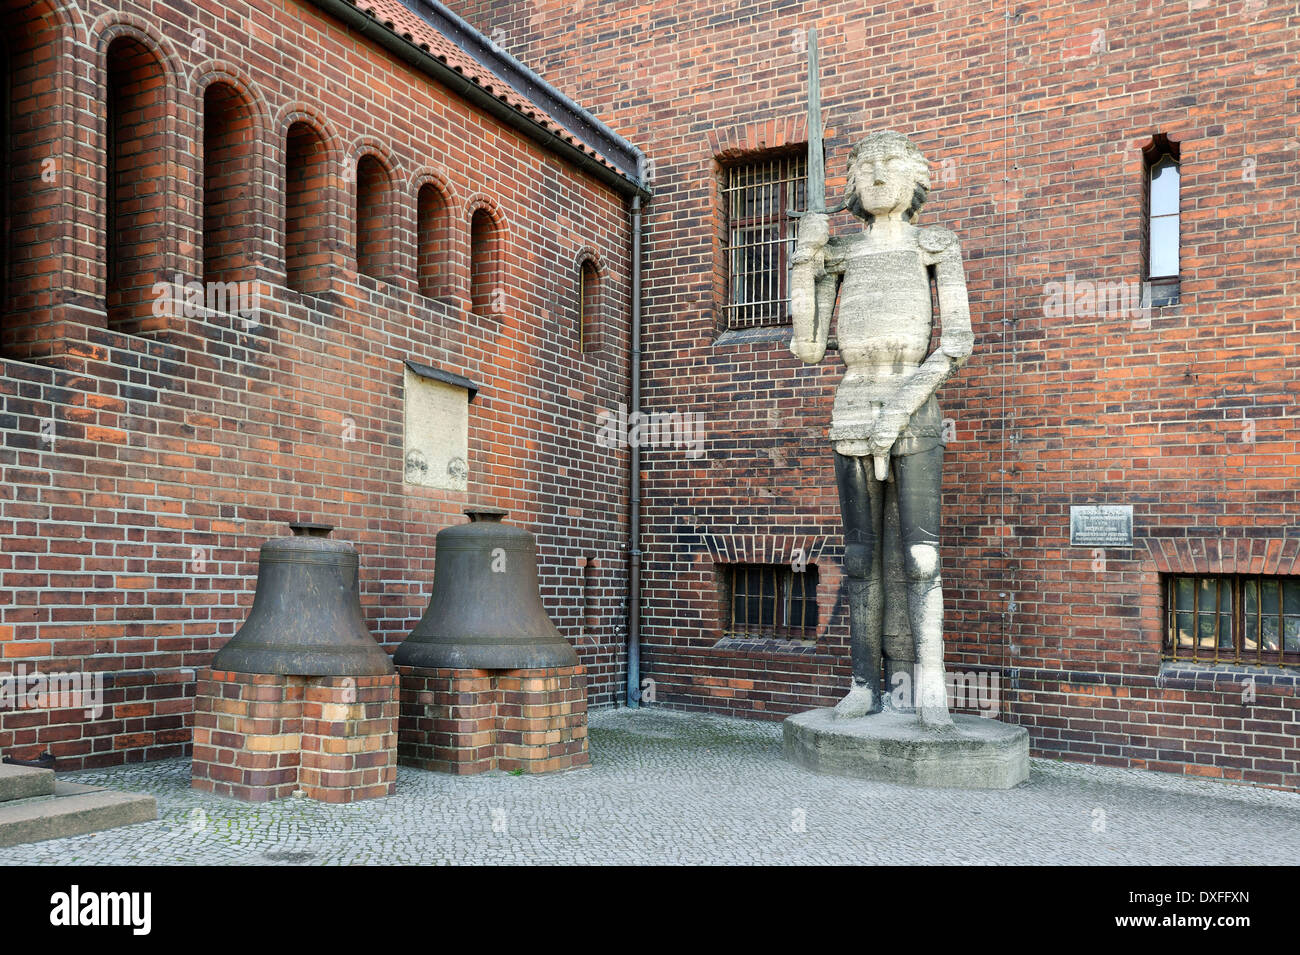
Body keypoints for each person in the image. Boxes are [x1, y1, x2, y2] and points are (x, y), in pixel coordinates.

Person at [790, 130, 973, 727]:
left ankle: (931, 688)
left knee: (922, 555)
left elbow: (957, 342)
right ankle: (863, 684)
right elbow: (809, 345)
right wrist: (804, 260)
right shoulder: (841, 256)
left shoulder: (934, 246)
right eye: (865, 166)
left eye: (889, 165)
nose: (875, 177)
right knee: (861, 556)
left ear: (915, 177)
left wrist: (900, 408)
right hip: (853, 401)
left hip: (913, 405)